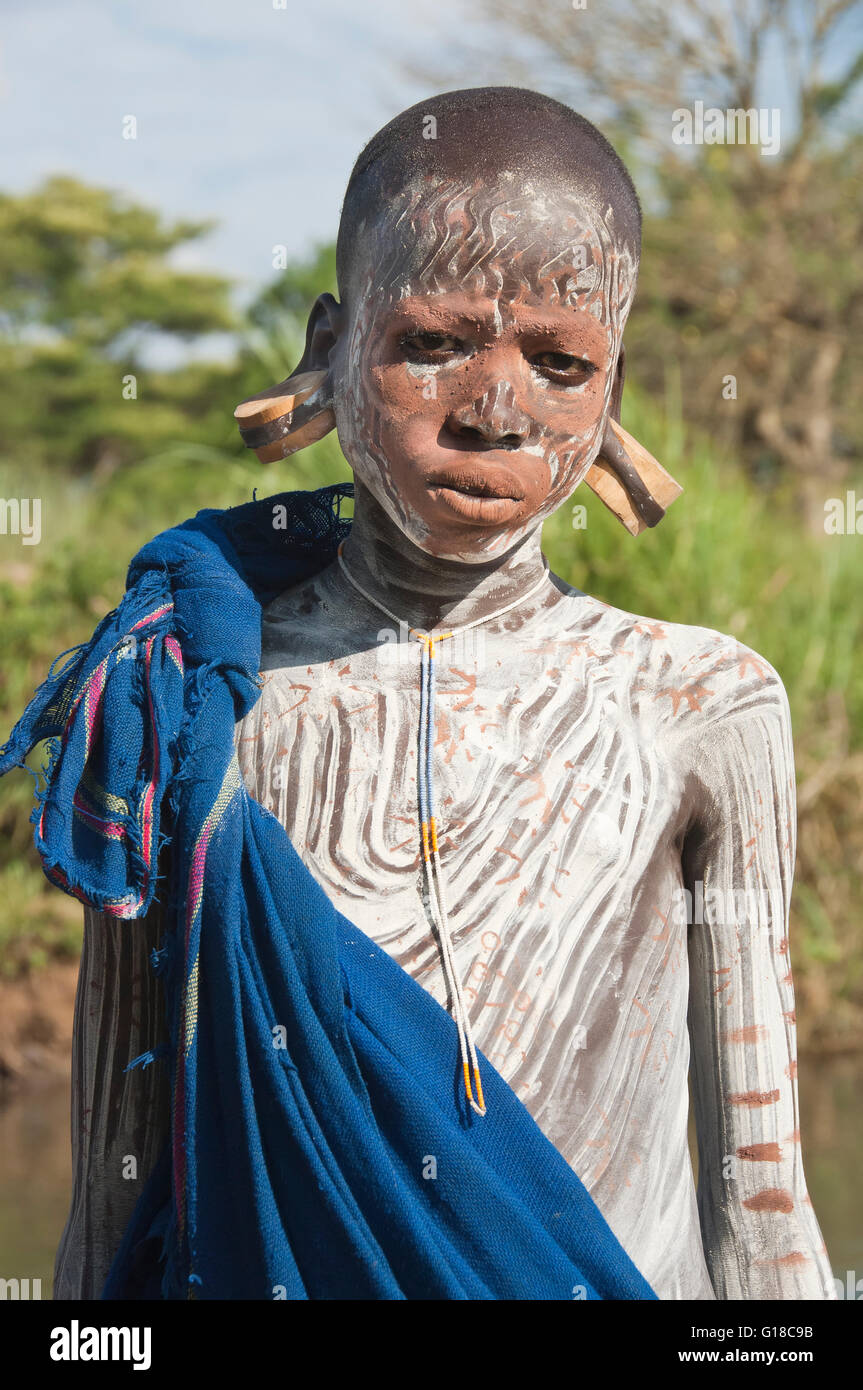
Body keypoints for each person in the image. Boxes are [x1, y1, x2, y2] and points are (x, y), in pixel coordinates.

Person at [3, 87, 834, 1301]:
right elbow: (120, 1170)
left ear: (613, 390)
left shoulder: (704, 704)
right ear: (329, 349)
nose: (496, 412)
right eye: (434, 344)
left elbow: (760, 1201)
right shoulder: (184, 693)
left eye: (559, 364)